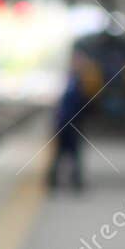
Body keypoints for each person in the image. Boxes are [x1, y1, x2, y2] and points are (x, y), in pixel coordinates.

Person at [48, 53, 90, 192]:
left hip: (72, 124)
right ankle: (55, 180)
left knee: (71, 154)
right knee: (63, 154)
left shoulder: (80, 82)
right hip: (65, 124)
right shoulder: (70, 81)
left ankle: (73, 181)